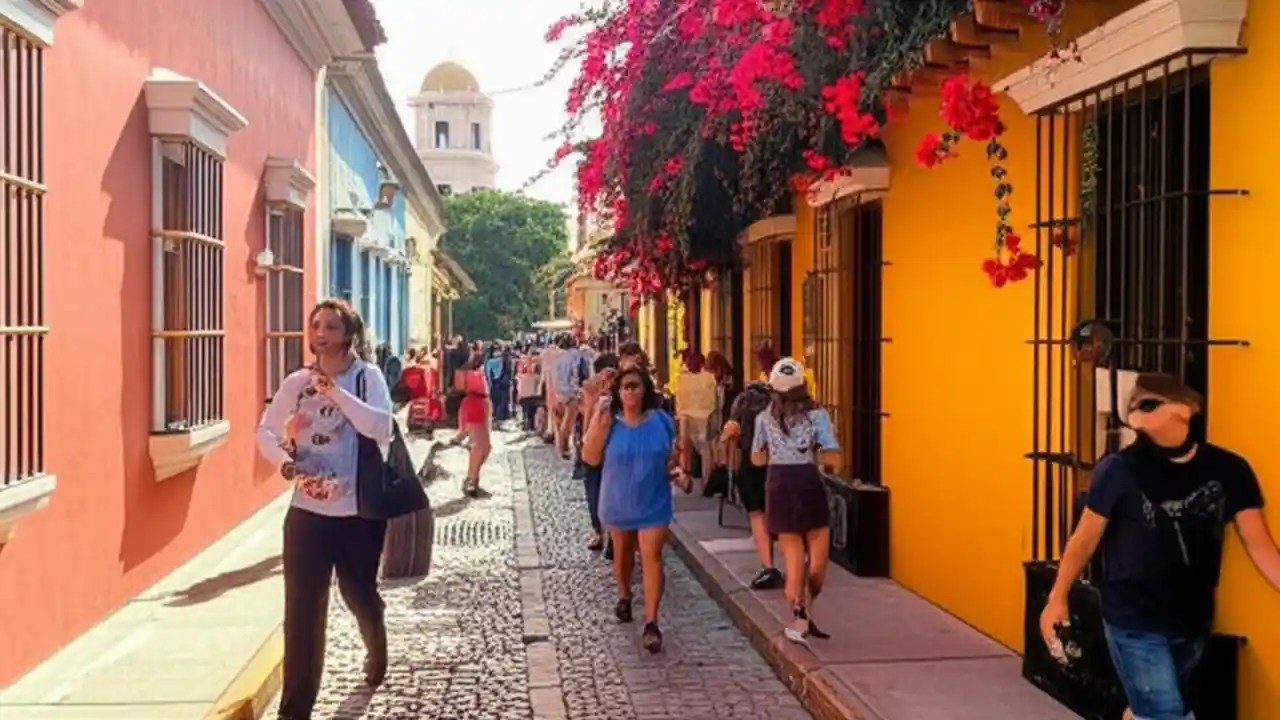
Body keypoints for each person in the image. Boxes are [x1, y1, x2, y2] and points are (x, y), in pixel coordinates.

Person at [1040, 373, 1280, 720]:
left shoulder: (1229, 470)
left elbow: (1261, 547)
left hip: (1191, 621)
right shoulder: (1118, 470)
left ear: (1186, 410)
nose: (1136, 412)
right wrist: (1057, 597)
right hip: (1131, 618)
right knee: (1165, 714)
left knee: (1148, 709)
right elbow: (1084, 539)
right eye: (1133, 405)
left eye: (1150, 404)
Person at [256, 299, 394, 720]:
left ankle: (376, 644)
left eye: (330, 327)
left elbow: (382, 426)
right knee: (301, 615)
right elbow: (264, 427)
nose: (320, 334)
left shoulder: (368, 377)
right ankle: (294, 712)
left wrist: (336, 392)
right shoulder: (297, 382)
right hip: (307, 512)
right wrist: (282, 461)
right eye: (315, 325)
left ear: (348, 334)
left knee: (359, 593)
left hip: (358, 514)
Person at [583, 365, 691, 653]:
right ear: (619, 393)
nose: (630, 391)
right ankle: (625, 595)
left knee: (652, 557)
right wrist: (600, 416)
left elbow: (672, 455)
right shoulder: (610, 423)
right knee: (622, 557)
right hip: (618, 500)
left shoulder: (662, 421)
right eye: (625, 386)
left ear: (645, 390)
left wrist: (678, 472)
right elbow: (590, 458)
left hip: (654, 498)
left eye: (635, 385)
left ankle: (652, 622)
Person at [751, 358, 841, 645]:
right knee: (807, 561)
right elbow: (834, 458)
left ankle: (801, 613)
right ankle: (802, 614)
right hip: (797, 482)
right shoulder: (808, 416)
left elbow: (756, 458)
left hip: (788, 483)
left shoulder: (772, 417)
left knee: (803, 562)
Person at [721, 381, 783, 590]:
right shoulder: (777, 407)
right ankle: (796, 565)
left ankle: (768, 566)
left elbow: (727, 436)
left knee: (757, 515)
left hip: (750, 464)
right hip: (779, 463)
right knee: (782, 515)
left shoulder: (739, 409)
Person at [580, 352, 619, 553]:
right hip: (595, 445)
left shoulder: (622, 387)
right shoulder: (590, 387)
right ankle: (599, 531)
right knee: (595, 489)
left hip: (614, 447)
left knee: (610, 491)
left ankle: (609, 533)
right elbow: (587, 413)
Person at [455, 351, 491, 497]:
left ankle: (473, 477)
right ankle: (472, 480)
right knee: (479, 446)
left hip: (482, 404)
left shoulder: (477, 371)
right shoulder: (464, 372)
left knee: (486, 447)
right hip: (474, 403)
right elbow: (460, 387)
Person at [516, 349, 542, 433]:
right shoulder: (536, 376)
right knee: (531, 411)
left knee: (527, 410)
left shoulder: (522, 375)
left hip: (525, 395)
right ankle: (530, 425)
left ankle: (526, 423)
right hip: (533, 395)